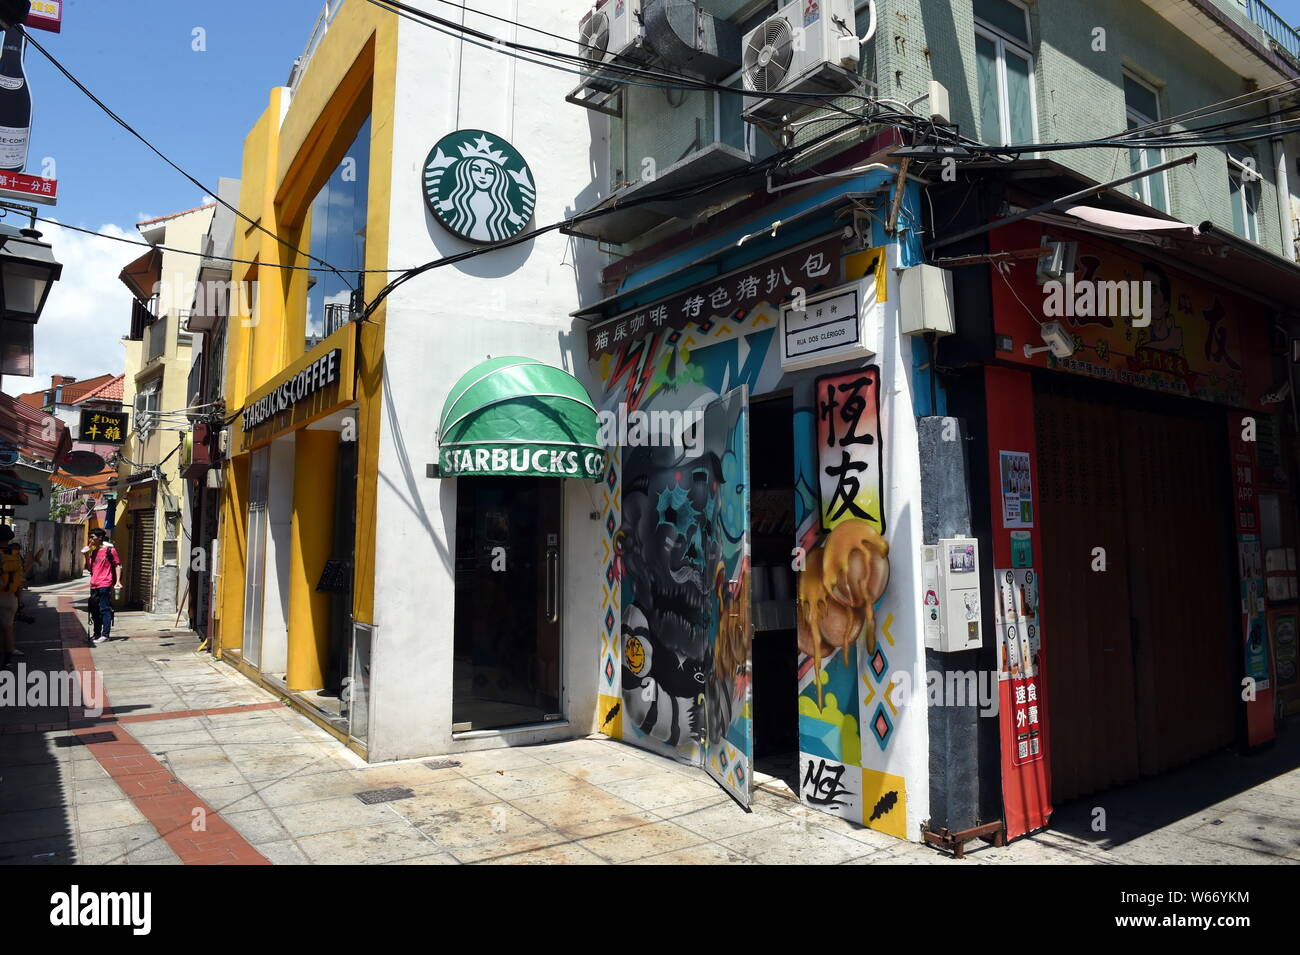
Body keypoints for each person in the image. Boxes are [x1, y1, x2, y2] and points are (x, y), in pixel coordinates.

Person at [82, 528, 121, 646]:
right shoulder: (94, 552)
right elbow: (89, 569)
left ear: (100, 538)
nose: (90, 540)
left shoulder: (110, 550)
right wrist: (85, 555)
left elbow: (117, 565)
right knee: (94, 610)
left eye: (92, 537)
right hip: (94, 584)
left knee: (104, 609)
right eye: (90, 537)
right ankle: (96, 634)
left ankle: (105, 635)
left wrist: (117, 581)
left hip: (105, 583)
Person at [0, 525, 24, 668]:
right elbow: (20, 580)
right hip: (10, 596)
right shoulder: (15, 554)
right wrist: (19, 601)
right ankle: (7, 660)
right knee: (8, 628)